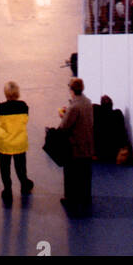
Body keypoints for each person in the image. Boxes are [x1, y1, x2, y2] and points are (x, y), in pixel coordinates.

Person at [58, 76, 94, 214]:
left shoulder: (74, 107)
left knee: (71, 173)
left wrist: (62, 115)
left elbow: (64, 127)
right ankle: (86, 197)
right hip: (87, 144)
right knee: (85, 173)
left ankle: (71, 198)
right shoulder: (87, 102)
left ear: (71, 89)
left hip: (75, 146)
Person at [0, 80, 34, 206]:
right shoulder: (24, 106)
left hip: (4, 142)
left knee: (4, 168)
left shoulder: (0, 108)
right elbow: (25, 121)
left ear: (6, 93)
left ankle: (7, 190)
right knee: (21, 166)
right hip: (19, 142)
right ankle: (24, 184)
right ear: (17, 93)